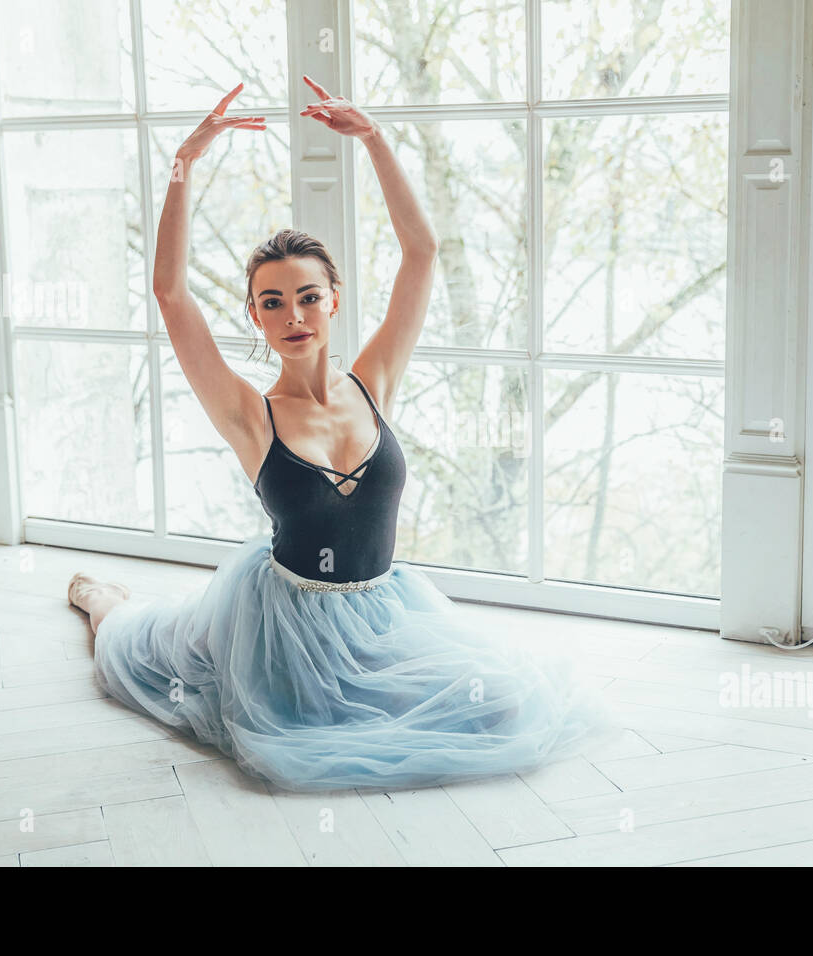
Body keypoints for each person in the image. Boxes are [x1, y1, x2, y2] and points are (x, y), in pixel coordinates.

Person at [67, 75, 619, 793]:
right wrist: (184, 161)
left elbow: (421, 254)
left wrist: (375, 142)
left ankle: (116, 603)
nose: (293, 313)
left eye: (306, 296)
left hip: (387, 611)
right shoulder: (246, 414)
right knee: (148, 654)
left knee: (503, 706)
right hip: (284, 622)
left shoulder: (374, 382)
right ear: (257, 319)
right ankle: (100, 601)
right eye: (272, 302)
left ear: (333, 301)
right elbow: (170, 294)